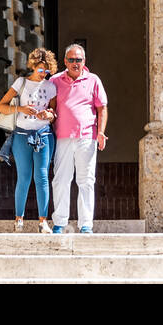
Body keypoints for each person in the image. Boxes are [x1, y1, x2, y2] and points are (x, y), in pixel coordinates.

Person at [0, 48, 58, 233]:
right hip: (22, 135)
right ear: (33, 66)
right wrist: (21, 109)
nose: (43, 75)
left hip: (44, 134)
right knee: (24, 177)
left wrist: (49, 113)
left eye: (46, 71)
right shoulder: (21, 83)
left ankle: (43, 221)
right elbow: (1, 106)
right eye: (40, 70)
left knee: (42, 177)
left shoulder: (50, 86)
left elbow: (54, 113)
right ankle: (19, 219)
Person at [49, 43, 108, 234]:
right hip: (63, 137)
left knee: (86, 180)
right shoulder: (56, 81)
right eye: (72, 60)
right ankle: (59, 222)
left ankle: (86, 225)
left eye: (79, 60)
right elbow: (51, 106)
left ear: (84, 61)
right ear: (65, 61)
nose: (75, 63)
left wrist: (100, 132)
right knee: (61, 180)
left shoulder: (93, 80)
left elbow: (102, 108)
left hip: (86, 137)